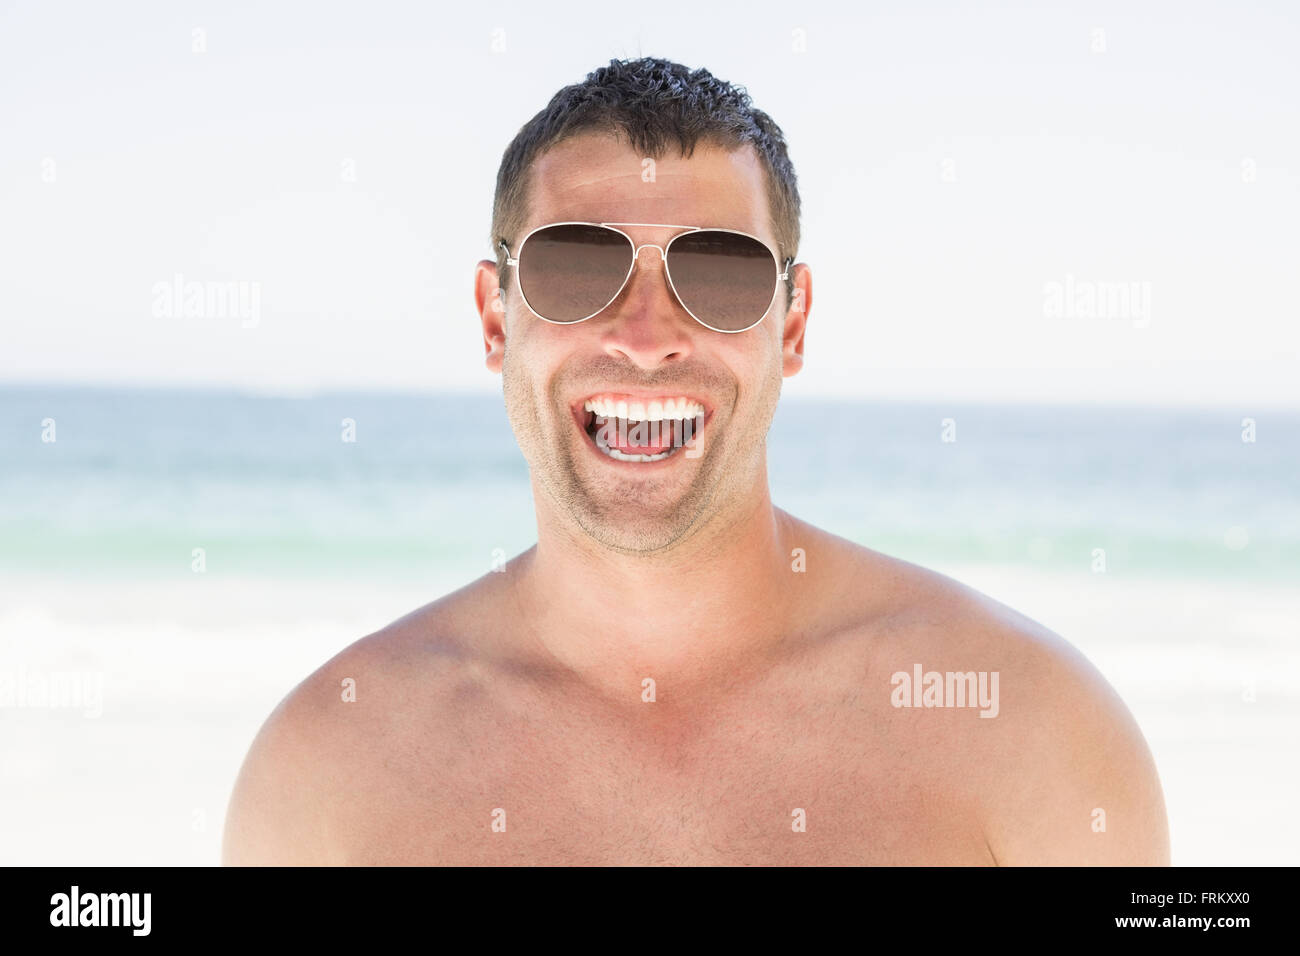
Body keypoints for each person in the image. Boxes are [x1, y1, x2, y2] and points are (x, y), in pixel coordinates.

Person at [223, 57, 1169, 865]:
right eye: (575, 267)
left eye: (717, 271)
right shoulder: (326, 778)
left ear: (790, 324)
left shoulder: (1034, 735)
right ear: (495, 315)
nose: (645, 337)